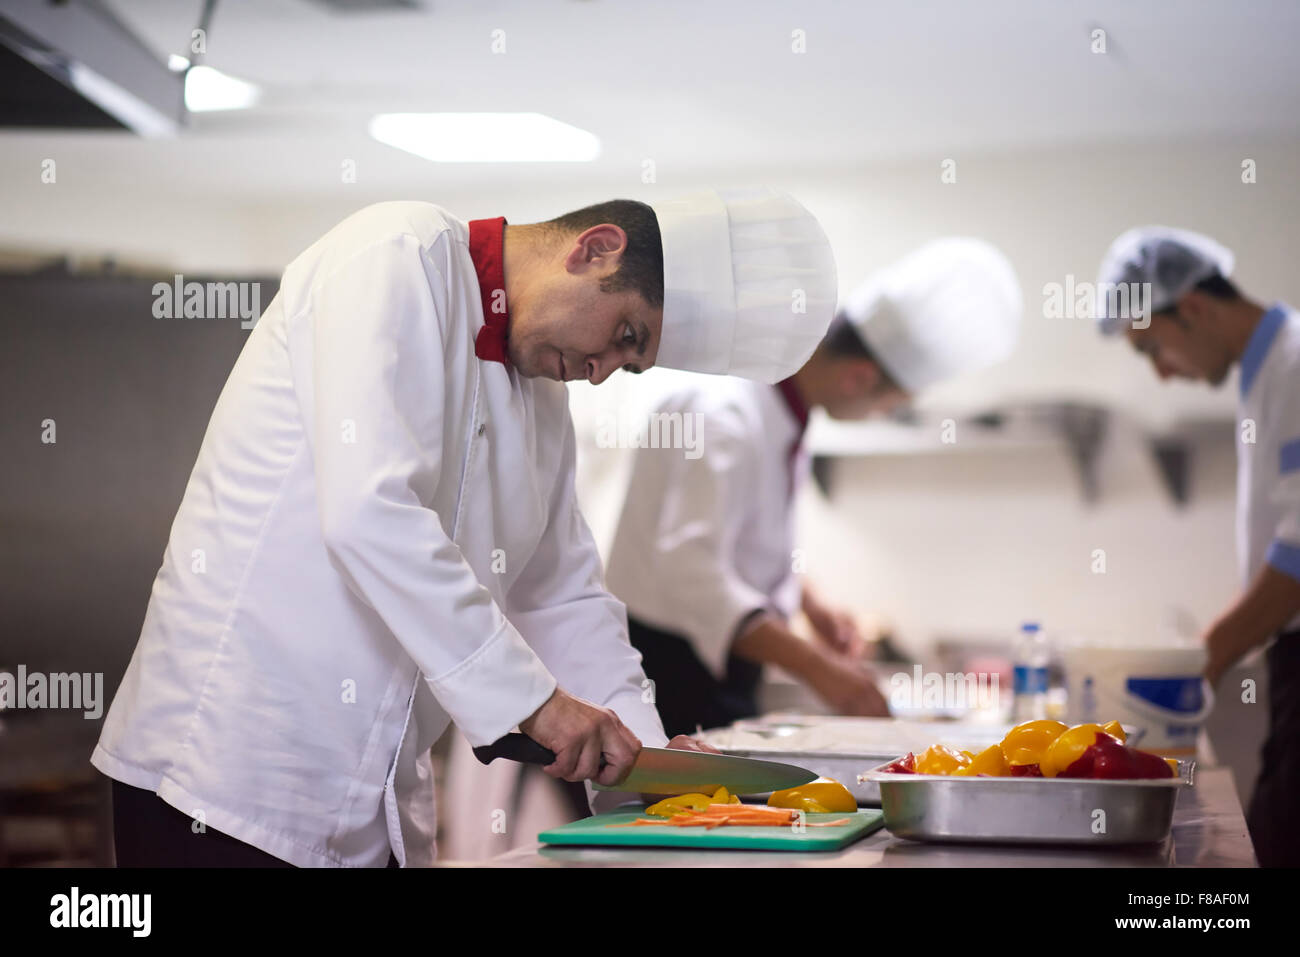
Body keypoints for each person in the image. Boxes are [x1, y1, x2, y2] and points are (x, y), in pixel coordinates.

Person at [90, 188, 838, 866]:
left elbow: (562, 596)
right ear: (595, 248)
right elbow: (368, 512)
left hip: (369, 808)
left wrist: (647, 762)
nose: (604, 370)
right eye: (624, 334)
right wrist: (539, 705)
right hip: (221, 781)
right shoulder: (392, 255)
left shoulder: (545, 404)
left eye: (629, 363)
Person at [605, 238, 1022, 737]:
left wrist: (808, 601)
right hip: (665, 672)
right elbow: (690, 571)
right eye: (891, 403)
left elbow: (733, 537)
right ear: (858, 377)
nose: (882, 415)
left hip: (715, 668)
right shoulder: (724, 413)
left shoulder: (780, 411)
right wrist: (819, 669)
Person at [1094, 225, 1300, 867]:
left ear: (1194, 307)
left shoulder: (1295, 366)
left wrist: (1199, 664)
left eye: (1152, 346)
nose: (1159, 371)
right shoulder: (1268, 374)